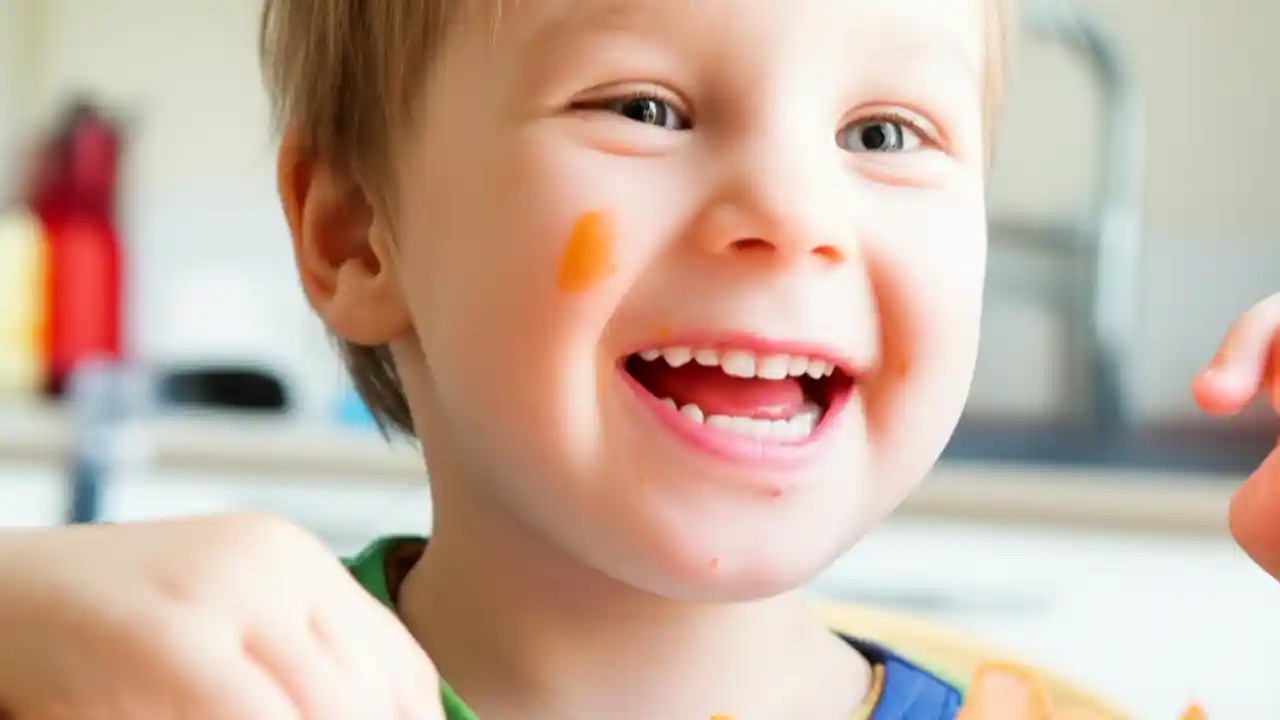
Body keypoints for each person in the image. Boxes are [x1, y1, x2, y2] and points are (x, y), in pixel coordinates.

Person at [0, 1, 1263, 717]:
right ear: (354, 233)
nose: (795, 212)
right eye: (643, 108)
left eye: (882, 130)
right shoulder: (182, 689)